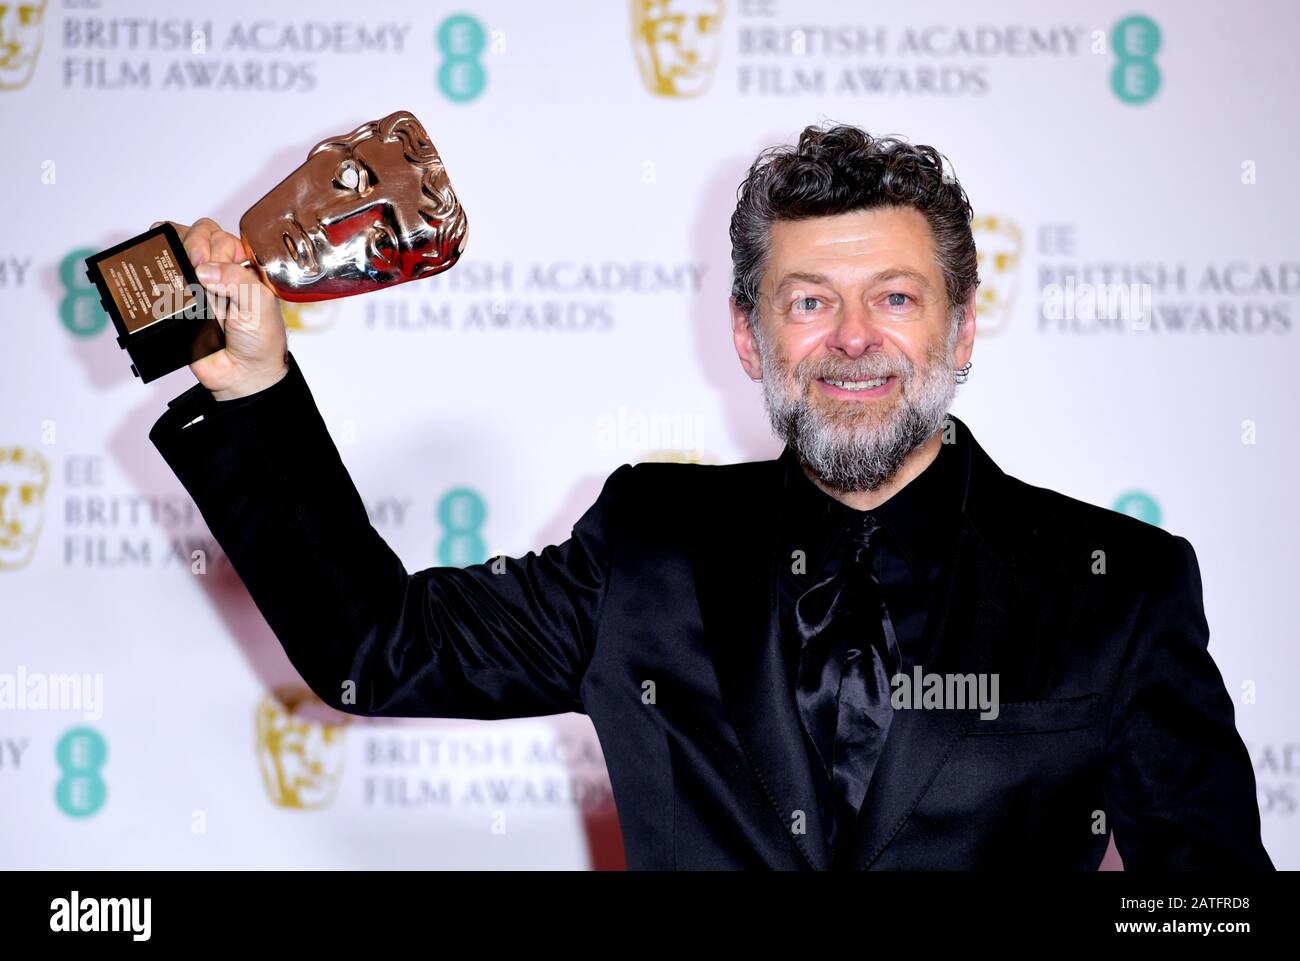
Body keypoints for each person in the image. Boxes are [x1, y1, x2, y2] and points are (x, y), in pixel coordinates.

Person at [149, 124, 1273, 871]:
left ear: (962, 329)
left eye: (893, 295)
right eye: (806, 302)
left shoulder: (1117, 584)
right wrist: (253, 384)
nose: (851, 339)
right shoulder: (649, 544)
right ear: (747, 337)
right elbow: (376, 649)